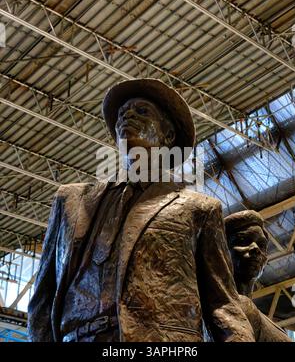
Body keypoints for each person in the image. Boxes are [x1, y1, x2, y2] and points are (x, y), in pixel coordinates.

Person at [28, 78, 255, 342]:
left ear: (168, 135)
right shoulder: (71, 201)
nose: (128, 116)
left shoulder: (198, 210)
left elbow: (222, 306)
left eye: (142, 111)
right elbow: (42, 301)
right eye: (123, 113)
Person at [224, 210, 291, 342]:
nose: (255, 248)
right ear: (222, 251)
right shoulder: (217, 310)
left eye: (261, 245)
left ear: (266, 262)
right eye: (242, 240)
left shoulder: (275, 328)